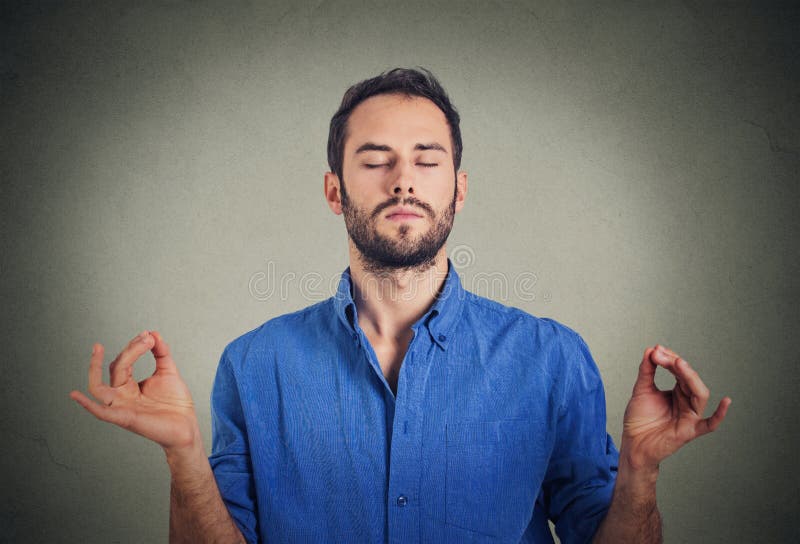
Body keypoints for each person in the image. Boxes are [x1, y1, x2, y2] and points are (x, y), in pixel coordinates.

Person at [70, 68, 731, 543]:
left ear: (459, 189)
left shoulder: (552, 358)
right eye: (375, 159)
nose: (403, 179)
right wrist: (184, 455)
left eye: (427, 159)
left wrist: (640, 474)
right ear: (335, 191)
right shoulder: (253, 364)